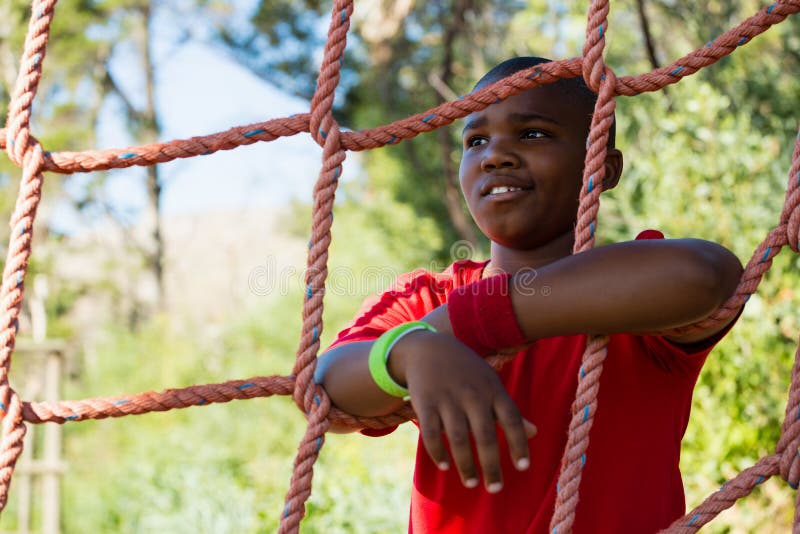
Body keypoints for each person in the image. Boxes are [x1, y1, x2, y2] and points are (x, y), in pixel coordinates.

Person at [314, 56, 743, 533]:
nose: (495, 154)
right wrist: (408, 352)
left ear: (603, 165)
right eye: (475, 141)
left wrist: (474, 323)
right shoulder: (424, 300)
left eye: (533, 134)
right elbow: (326, 389)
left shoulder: (631, 292)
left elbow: (706, 275)